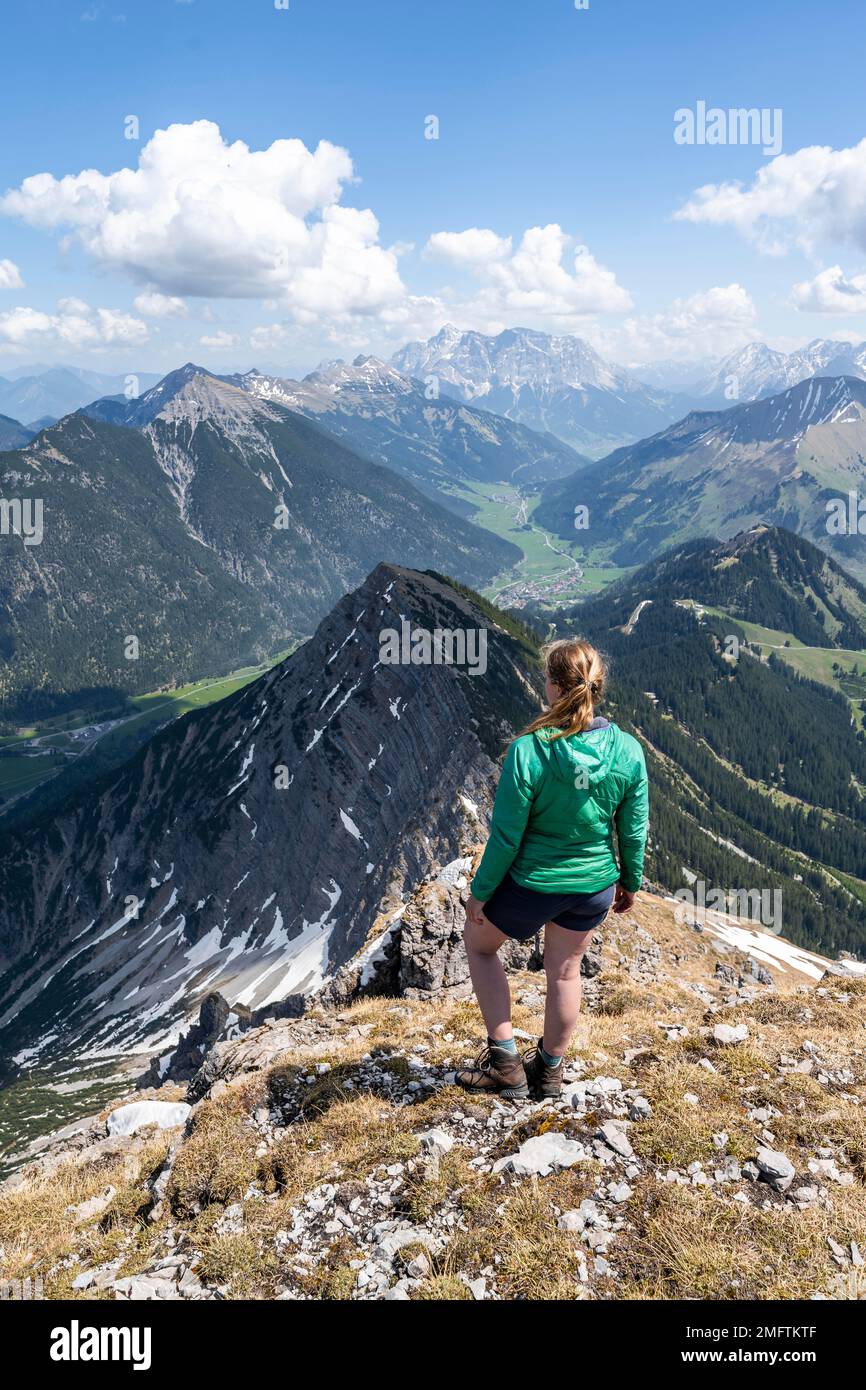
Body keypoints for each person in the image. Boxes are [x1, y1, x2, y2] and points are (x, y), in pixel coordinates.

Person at [455, 638, 648, 1101]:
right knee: (565, 972)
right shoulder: (627, 751)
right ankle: (549, 1071)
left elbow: (505, 837)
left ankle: (504, 1062)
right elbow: (634, 829)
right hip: (594, 886)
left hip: (532, 884)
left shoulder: (529, 750)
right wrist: (630, 881)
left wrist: (480, 894)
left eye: (546, 678)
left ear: (555, 687)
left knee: (479, 947)